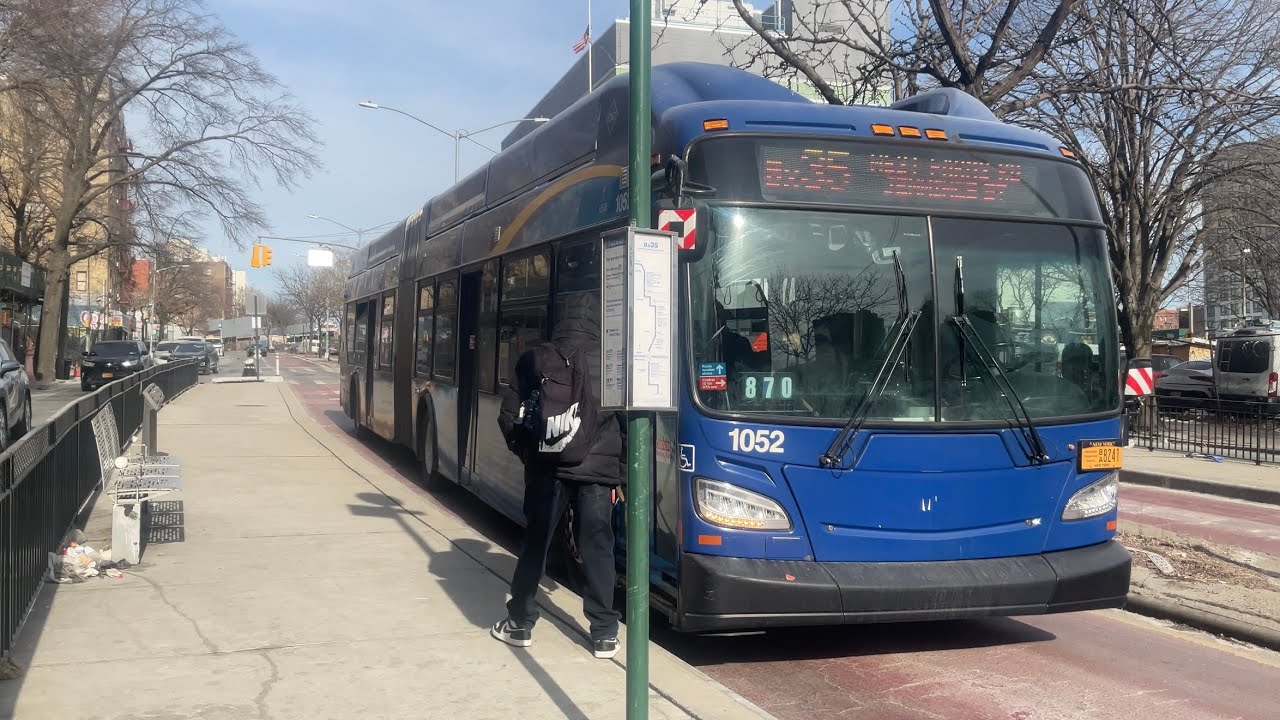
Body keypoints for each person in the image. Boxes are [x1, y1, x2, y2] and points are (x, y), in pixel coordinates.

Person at [492, 294, 624, 659]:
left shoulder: (535, 358)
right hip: (597, 472)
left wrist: (530, 455)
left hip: (546, 470)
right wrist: (619, 477)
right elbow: (626, 427)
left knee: (536, 543)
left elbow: (508, 416)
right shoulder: (612, 362)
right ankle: (604, 633)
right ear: (598, 320)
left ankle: (519, 623)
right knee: (597, 546)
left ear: (560, 320)